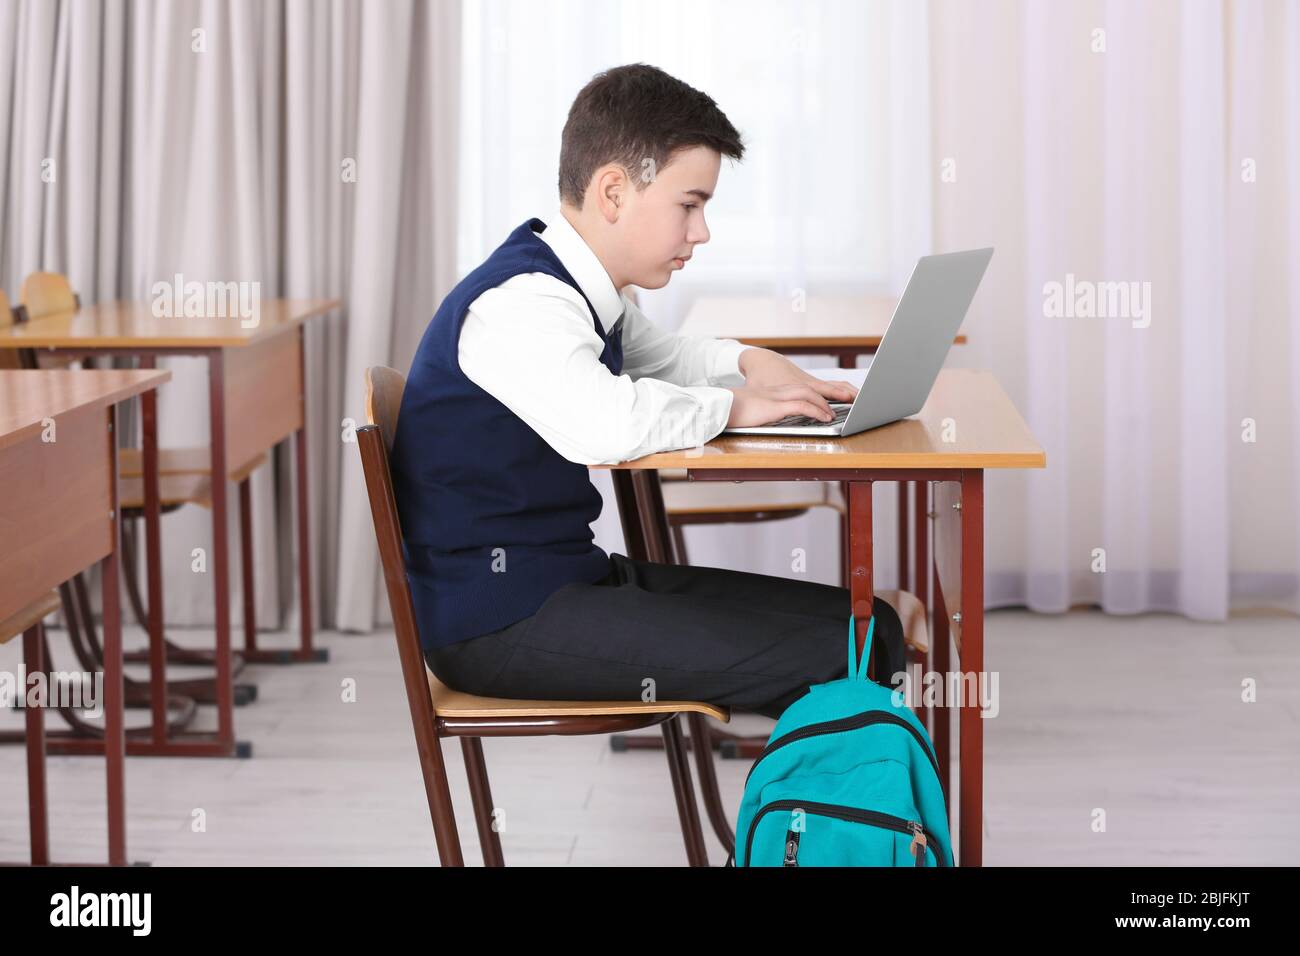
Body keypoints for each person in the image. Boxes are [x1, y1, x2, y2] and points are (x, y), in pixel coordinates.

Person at [389, 63, 904, 720]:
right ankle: (821, 820)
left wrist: (752, 363)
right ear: (613, 192)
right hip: (501, 623)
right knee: (845, 654)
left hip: (564, 582)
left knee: (873, 627)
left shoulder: (583, 290)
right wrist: (738, 407)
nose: (701, 232)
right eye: (689, 205)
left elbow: (668, 359)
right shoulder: (522, 304)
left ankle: (868, 818)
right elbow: (607, 425)